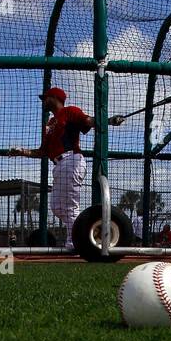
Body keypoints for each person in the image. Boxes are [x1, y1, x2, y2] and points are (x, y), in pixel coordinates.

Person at [13, 87, 121, 246]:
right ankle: (84, 232)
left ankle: (77, 240)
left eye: (46, 98)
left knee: (70, 206)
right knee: (57, 207)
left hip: (71, 159)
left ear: (54, 98)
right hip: (58, 164)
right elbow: (43, 151)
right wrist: (21, 152)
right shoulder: (50, 123)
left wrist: (109, 120)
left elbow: (89, 121)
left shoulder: (70, 111)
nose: (43, 101)